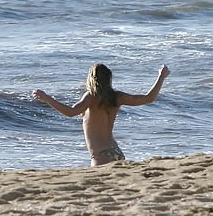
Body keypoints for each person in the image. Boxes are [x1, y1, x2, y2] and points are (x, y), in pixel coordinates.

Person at [33, 64, 170, 165]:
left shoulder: (91, 97)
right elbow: (148, 98)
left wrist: (47, 99)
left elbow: (71, 112)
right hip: (116, 152)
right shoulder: (117, 97)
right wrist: (161, 77)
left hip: (101, 156)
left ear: (91, 79)